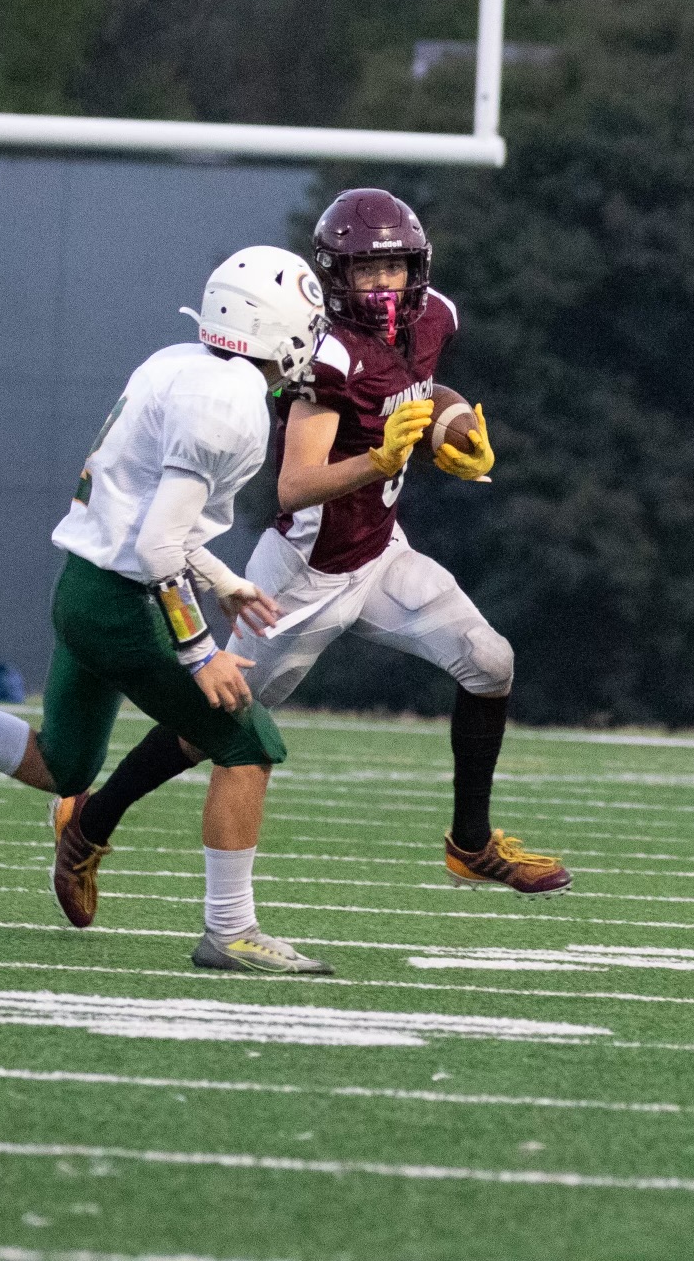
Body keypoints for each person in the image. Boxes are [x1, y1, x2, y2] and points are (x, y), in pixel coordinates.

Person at [0, 246, 337, 974]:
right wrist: (201, 652)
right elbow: (153, 548)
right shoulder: (230, 402)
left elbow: (150, 519)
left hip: (84, 583)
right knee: (250, 744)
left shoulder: (177, 364)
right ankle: (230, 931)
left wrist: (223, 578)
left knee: (65, 764)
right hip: (119, 599)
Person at [80, 188, 571, 894]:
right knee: (214, 723)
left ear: (416, 268)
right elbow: (294, 484)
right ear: (334, 277)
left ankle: (469, 844)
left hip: (379, 552)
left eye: (392, 269)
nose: (380, 285)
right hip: (302, 575)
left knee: (490, 662)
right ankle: (91, 821)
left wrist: (457, 425)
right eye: (364, 272)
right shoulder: (328, 353)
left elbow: (424, 389)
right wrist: (378, 461)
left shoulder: (432, 319)